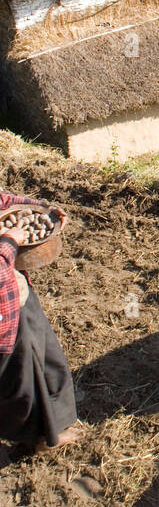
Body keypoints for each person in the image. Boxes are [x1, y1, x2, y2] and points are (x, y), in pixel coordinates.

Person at [0, 191, 82, 450]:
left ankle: (50, 430)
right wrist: (9, 242)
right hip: (3, 317)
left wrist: (42, 207)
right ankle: (33, 436)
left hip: (14, 297)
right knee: (20, 380)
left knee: (47, 361)